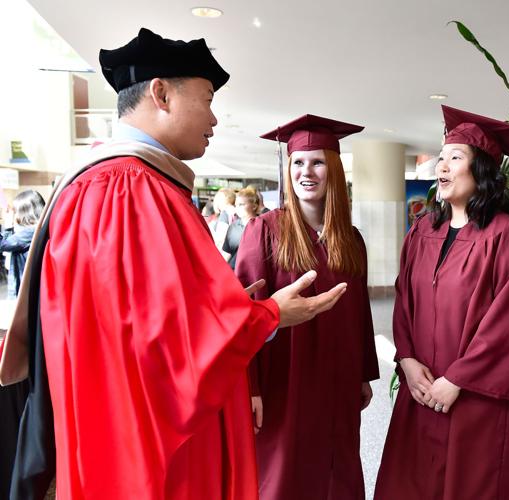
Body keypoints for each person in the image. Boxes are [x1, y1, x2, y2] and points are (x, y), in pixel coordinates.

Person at [0, 27, 348, 500]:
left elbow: (142, 311)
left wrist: (221, 307)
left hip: (125, 428)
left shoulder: (127, 183)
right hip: (147, 445)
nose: (214, 119)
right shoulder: (125, 188)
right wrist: (268, 315)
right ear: (161, 93)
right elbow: (158, 339)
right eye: (207, 98)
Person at [375, 105, 509, 500]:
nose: (441, 167)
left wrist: (457, 380)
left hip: (473, 397)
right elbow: (404, 300)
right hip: (421, 387)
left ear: (481, 171)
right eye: (440, 158)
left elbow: (507, 318)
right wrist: (408, 362)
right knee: (412, 481)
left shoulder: (507, 235)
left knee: (471, 484)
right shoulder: (422, 231)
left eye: (455, 158)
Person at [236, 114, 379, 499]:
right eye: (298, 162)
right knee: (285, 472)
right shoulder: (264, 231)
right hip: (285, 378)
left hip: (338, 377)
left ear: (333, 168)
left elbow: (359, 312)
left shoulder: (351, 240)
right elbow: (242, 313)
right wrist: (249, 387)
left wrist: (363, 373)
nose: (307, 172)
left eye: (317, 162)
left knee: (338, 469)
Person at [0, 190, 46, 299]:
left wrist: (7, 225)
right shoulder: (40, 229)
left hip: (24, 294)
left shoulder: (30, 233)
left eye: (16, 211)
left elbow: (2, 245)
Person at [223, 187, 259, 269]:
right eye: (236, 205)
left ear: (254, 206)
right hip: (234, 272)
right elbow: (227, 252)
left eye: (241, 204)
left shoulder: (262, 225)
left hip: (254, 273)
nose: (237, 208)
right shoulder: (233, 226)